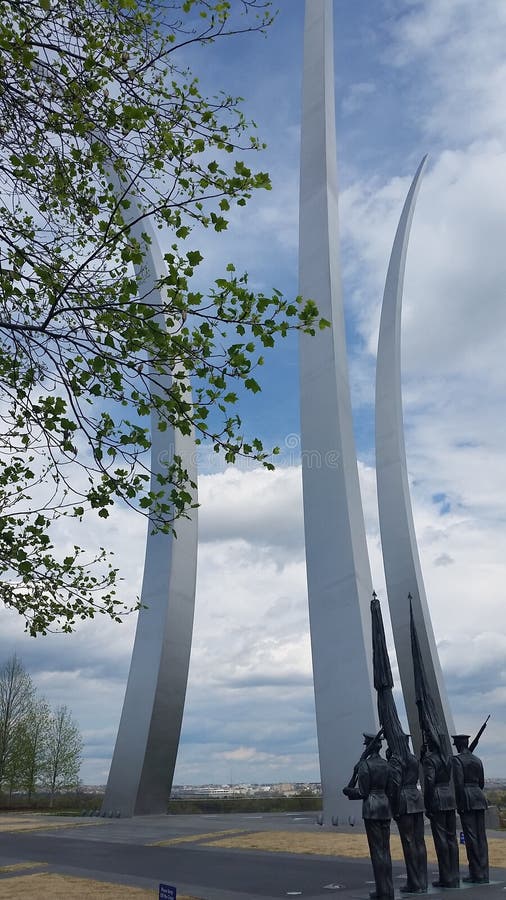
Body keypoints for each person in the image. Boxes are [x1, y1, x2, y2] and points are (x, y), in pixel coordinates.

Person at [343, 732, 394, 900]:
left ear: (367, 746)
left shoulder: (365, 765)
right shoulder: (387, 765)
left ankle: (382, 891)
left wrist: (348, 790)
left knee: (377, 851)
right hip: (384, 807)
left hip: (372, 809)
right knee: (385, 850)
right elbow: (389, 789)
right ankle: (388, 889)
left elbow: (363, 792)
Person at [388, 734, 427, 894]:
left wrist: (394, 807)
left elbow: (395, 785)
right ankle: (422, 881)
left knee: (409, 843)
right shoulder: (412, 758)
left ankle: (414, 882)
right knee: (420, 842)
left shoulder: (396, 760)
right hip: (417, 800)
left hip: (404, 801)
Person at [422, 734, 459, 888]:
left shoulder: (430, 760)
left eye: (429, 742)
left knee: (441, 839)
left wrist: (427, 803)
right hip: (449, 797)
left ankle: (446, 877)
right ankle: (455, 875)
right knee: (452, 838)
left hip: (437, 798)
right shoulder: (448, 759)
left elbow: (429, 782)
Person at [452, 734, 489, 884]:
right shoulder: (477, 760)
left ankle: (476, 873)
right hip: (479, 798)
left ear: (459, 745)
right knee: (481, 837)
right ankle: (483, 872)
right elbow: (481, 782)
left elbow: (459, 784)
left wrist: (460, 803)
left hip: (467, 799)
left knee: (471, 837)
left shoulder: (457, 760)